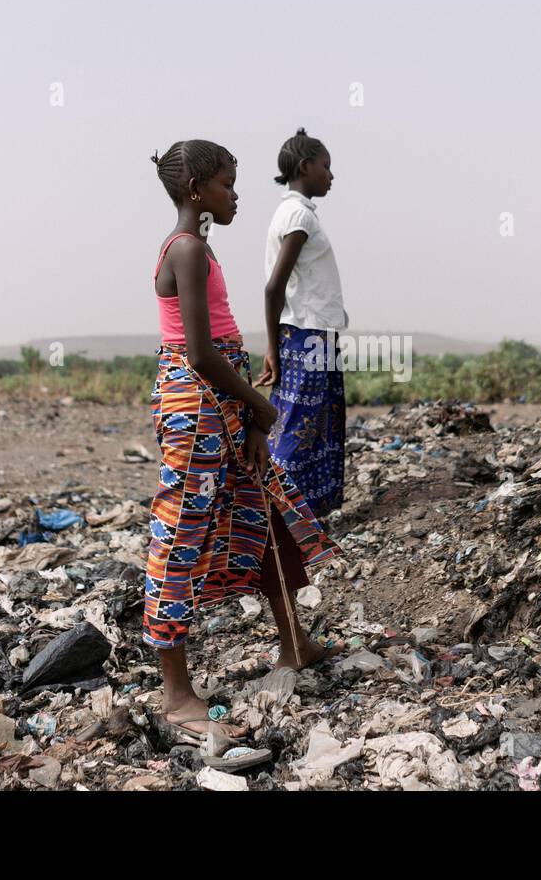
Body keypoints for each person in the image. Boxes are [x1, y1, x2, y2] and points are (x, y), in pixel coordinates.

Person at [146, 138, 341, 744]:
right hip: (200, 405)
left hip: (221, 402)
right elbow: (200, 353)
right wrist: (261, 405)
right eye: (228, 183)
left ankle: (294, 642)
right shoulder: (188, 250)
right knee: (181, 533)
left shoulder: (199, 249)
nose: (236, 194)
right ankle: (176, 693)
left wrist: (253, 418)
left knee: (264, 509)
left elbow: (216, 349)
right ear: (196, 188)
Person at [256, 128, 347, 521]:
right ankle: (277, 518)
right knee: (297, 428)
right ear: (306, 166)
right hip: (305, 335)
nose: (331, 175)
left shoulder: (299, 213)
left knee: (317, 426)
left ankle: (304, 518)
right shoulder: (296, 215)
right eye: (326, 166)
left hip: (314, 334)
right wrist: (273, 345)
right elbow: (274, 287)